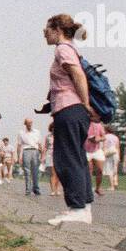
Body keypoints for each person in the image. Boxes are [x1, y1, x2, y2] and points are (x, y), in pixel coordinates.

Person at [40, 14, 96, 224]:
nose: (44, 33)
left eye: (46, 29)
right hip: (72, 110)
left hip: (70, 107)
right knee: (78, 157)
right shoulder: (72, 48)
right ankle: (83, 207)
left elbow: (78, 75)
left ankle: (77, 207)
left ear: (57, 30)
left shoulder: (63, 49)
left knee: (65, 159)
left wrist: (85, 103)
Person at [18, 118, 42, 195]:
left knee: (35, 171)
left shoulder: (37, 132)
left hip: (35, 151)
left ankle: (36, 188)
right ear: (25, 124)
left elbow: (39, 144)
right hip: (26, 151)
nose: (29, 124)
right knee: (27, 171)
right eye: (28, 123)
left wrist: (41, 154)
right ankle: (28, 189)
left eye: (31, 122)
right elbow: (19, 145)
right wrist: (19, 156)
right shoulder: (21, 133)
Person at [85, 120, 107, 195]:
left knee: (100, 170)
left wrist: (98, 139)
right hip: (85, 149)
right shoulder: (84, 122)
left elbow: (104, 137)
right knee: (88, 171)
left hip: (96, 150)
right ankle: (88, 189)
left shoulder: (99, 125)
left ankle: (98, 188)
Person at [44, 126, 60, 195]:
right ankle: (52, 190)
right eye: (53, 128)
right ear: (51, 129)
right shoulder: (48, 137)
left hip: (59, 154)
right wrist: (43, 156)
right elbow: (45, 146)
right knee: (52, 173)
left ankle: (57, 189)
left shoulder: (61, 136)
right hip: (50, 154)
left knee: (58, 173)